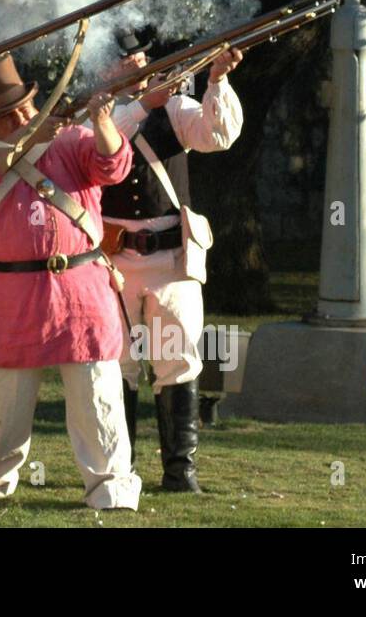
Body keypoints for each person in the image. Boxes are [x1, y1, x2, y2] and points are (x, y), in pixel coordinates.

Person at [0, 52, 141, 512]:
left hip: (80, 289)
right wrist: (30, 136)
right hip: (10, 293)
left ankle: (111, 488)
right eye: (4, 116)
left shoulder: (72, 138)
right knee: (0, 403)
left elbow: (113, 166)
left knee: (96, 396)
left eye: (23, 108)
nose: (19, 117)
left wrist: (101, 120)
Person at [99, 29, 243, 493]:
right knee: (115, 364)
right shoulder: (95, 114)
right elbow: (98, 143)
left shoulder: (173, 106)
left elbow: (217, 136)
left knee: (177, 361)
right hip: (110, 260)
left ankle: (181, 473)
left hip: (171, 258)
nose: (138, 63)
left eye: (140, 55)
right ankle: (119, 470)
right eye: (127, 59)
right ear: (105, 67)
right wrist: (144, 104)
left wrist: (217, 80)